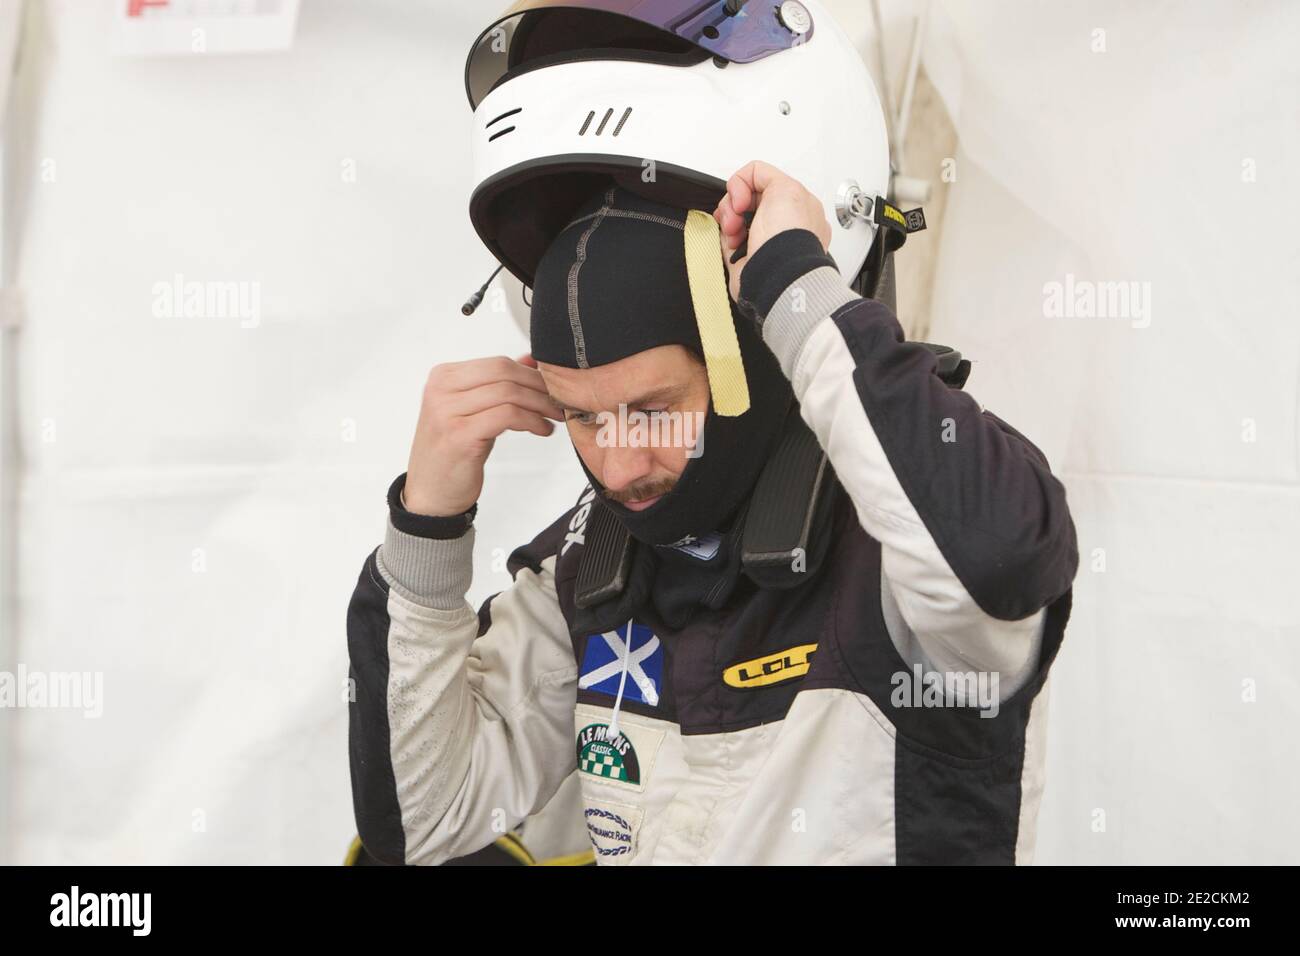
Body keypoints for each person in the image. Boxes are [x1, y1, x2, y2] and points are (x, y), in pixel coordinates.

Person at [345, 160, 1079, 865]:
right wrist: (427, 525)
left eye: (653, 410)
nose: (620, 466)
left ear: (753, 360)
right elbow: (423, 820)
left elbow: (1001, 562)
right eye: (583, 416)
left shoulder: (899, 547)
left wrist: (796, 289)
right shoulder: (585, 571)